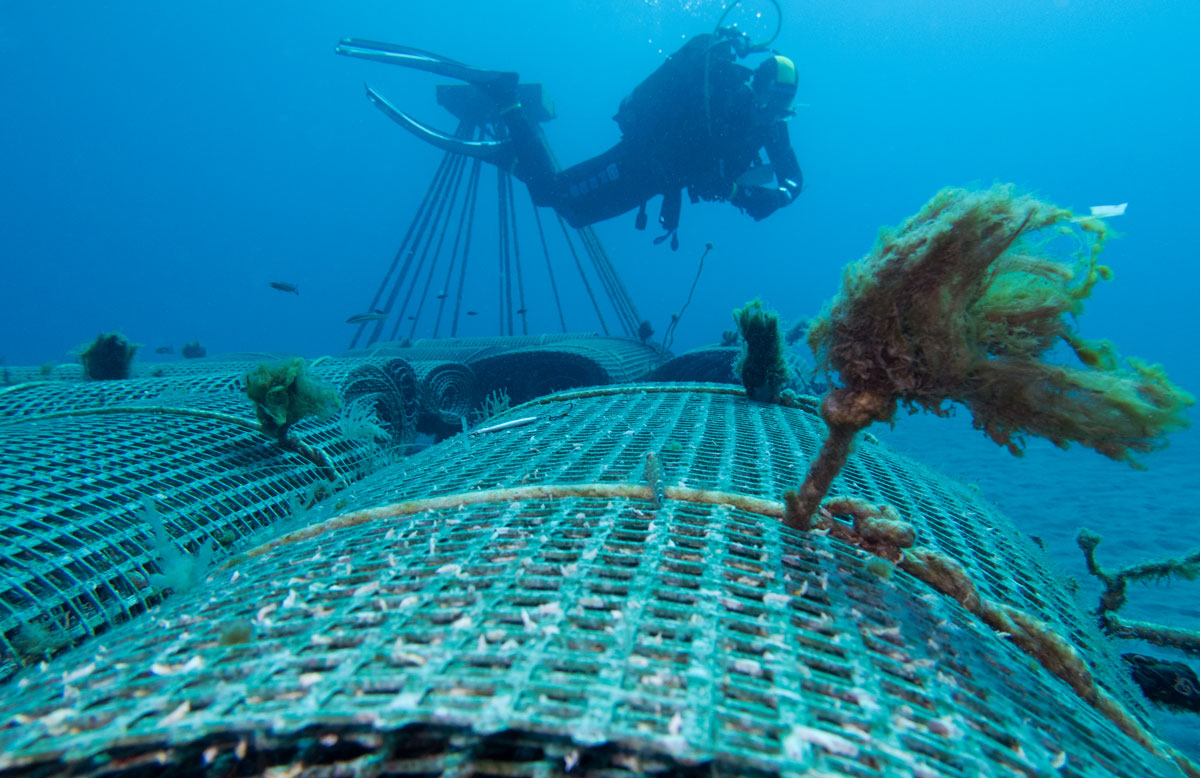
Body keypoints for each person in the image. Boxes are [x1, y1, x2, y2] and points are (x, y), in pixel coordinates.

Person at [337, 29, 803, 247]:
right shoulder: (727, 100)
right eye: (770, 101)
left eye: (782, 107)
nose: (772, 114)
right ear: (757, 87)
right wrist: (734, 190)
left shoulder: (771, 125)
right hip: (640, 162)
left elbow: (794, 177)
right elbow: (695, 162)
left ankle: (512, 154)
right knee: (554, 196)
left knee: (573, 213)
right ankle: (506, 100)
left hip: (654, 179)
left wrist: (777, 197)